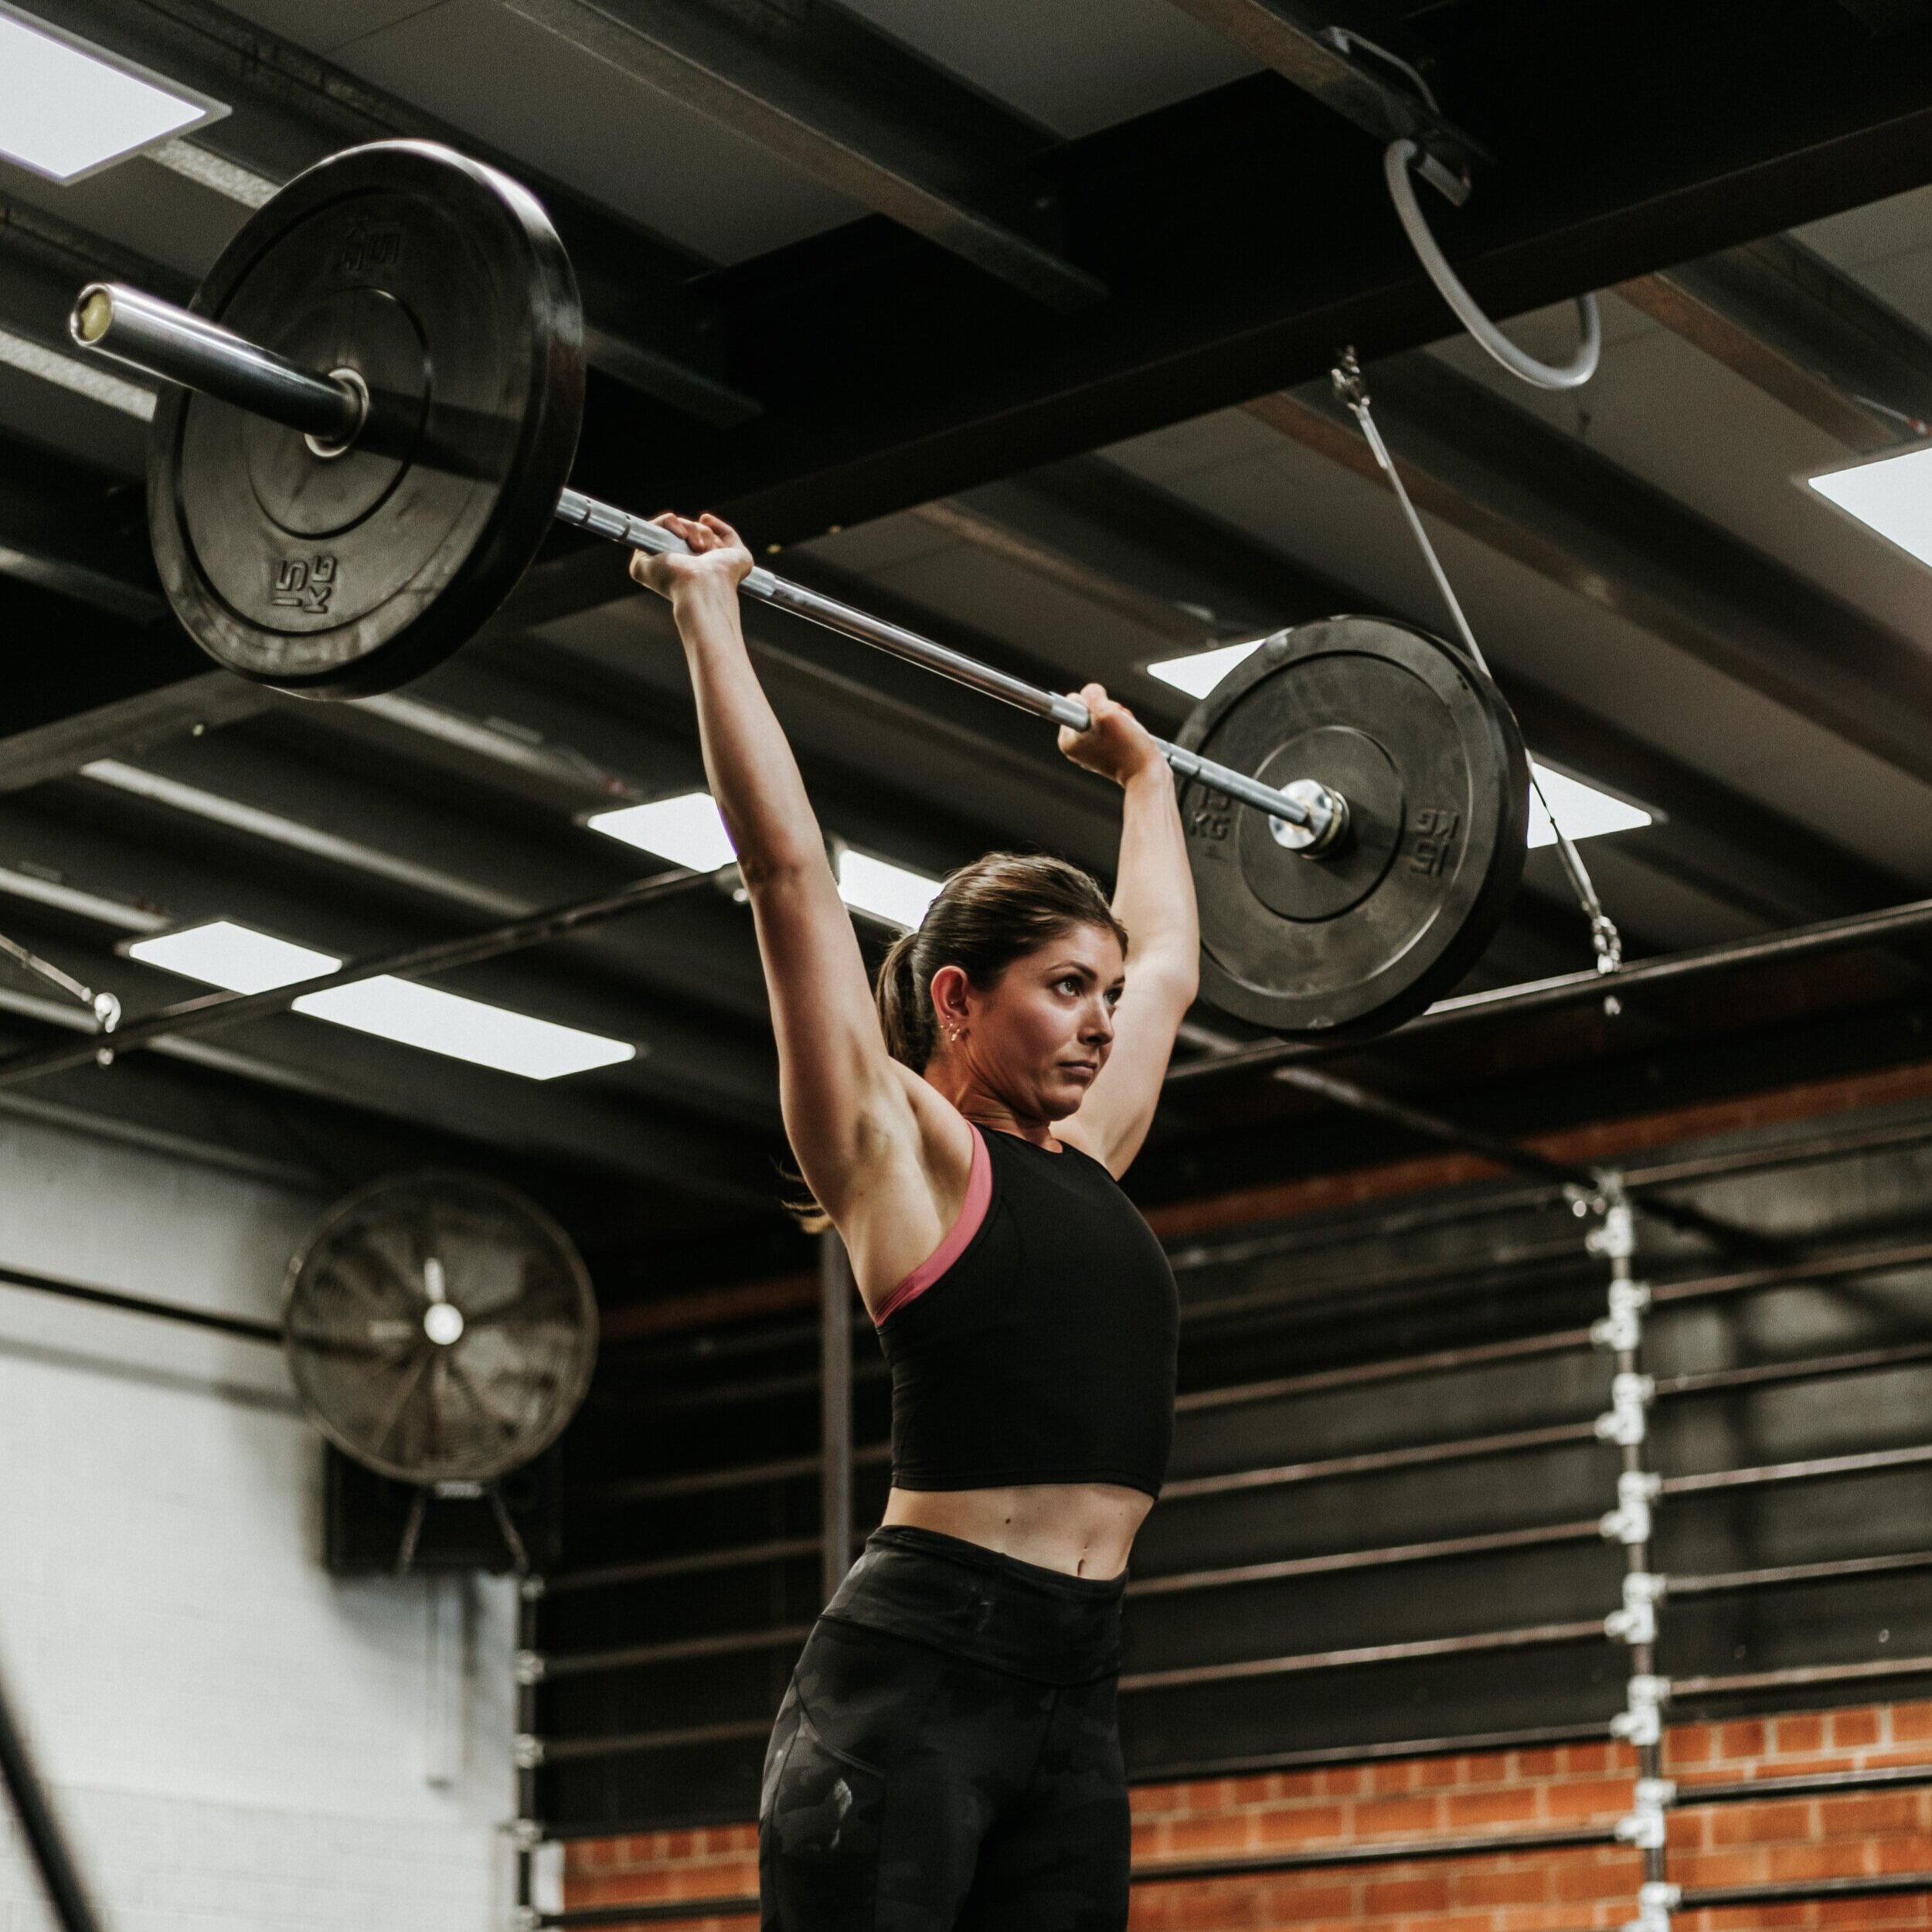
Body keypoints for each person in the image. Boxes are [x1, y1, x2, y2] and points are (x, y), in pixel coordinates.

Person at [631, 512, 1199, 1932]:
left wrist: (1149, 775)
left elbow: (1177, 965)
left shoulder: (1088, 1154)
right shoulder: (902, 1152)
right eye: (1068, 988)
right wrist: (709, 611)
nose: (1103, 1023)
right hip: (916, 1677)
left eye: (1103, 996)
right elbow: (787, 877)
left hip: (1078, 1687)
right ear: (959, 1000)